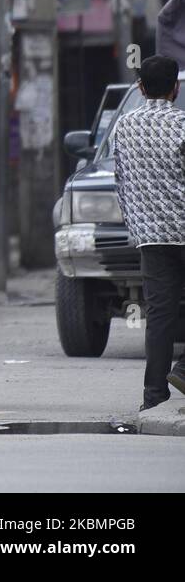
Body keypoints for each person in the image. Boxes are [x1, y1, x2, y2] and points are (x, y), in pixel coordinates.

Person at [111, 54, 185, 411]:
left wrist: (136, 225)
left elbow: (121, 181)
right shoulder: (183, 124)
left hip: (151, 235)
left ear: (140, 88)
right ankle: (184, 370)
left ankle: (153, 396)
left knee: (160, 314)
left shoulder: (123, 126)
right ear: (176, 87)